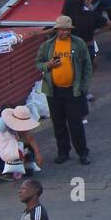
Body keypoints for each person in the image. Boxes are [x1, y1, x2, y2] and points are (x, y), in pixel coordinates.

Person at [35, 14, 92, 166]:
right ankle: (63, 152)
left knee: (75, 124)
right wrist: (48, 65)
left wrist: (84, 87)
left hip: (73, 91)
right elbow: (38, 64)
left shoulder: (78, 44)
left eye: (67, 30)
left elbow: (87, 65)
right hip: (54, 91)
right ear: (57, 30)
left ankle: (83, 153)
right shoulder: (48, 45)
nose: (65, 32)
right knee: (58, 124)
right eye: (62, 30)